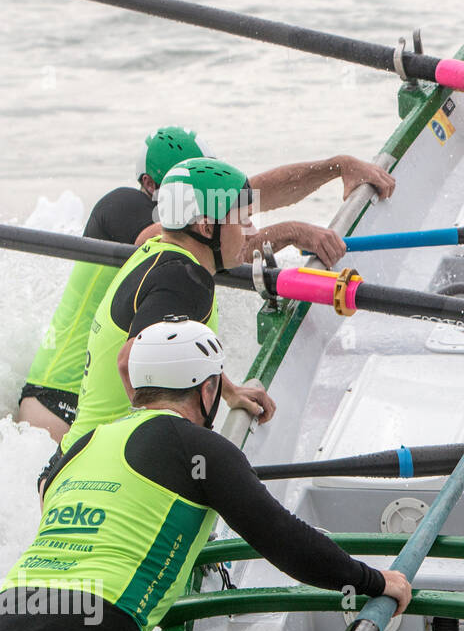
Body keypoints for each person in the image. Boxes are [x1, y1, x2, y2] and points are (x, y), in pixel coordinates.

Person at [0, 318, 411, 631]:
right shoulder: (197, 447)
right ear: (209, 389)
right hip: (87, 629)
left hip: (10, 615)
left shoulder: (81, 445)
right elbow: (282, 537)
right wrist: (372, 579)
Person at [17, 126, 395, 441]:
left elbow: (248, 197)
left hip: (95, 405)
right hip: (57, 402)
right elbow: (222, 247)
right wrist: (289, 232)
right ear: (153, 186)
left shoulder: (188, 224)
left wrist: (337, 167)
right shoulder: (123, 211)